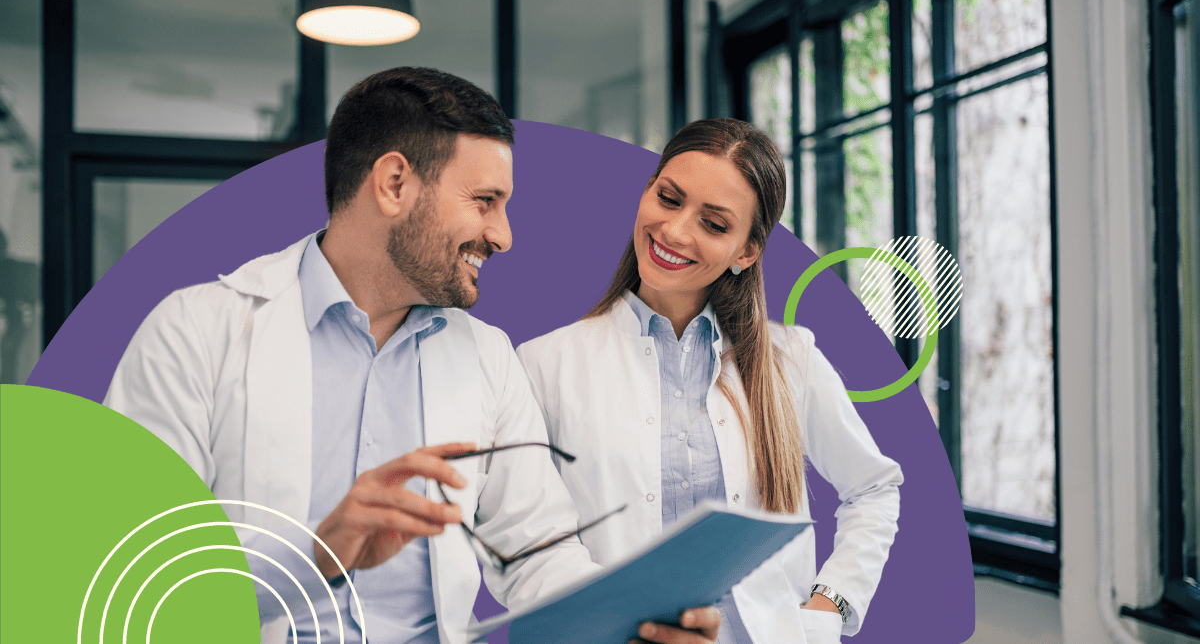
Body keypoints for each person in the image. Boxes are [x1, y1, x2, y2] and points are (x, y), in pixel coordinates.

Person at [104, 67, 719, 644]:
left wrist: (631, 617)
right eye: (484, 201)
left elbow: (536, 552)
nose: (504, 235)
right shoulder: (194, 332)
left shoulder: (487, 357)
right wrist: (322, 550)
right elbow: (132, 573)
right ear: (394, 184)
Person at [516, 118, 904, 644]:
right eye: (669, 198)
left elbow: (874, 487)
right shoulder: (544, 364)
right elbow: (525, 541)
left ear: (746, 251)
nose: (675, 231)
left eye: (715, 224)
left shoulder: (791, 359)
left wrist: (830, 601)